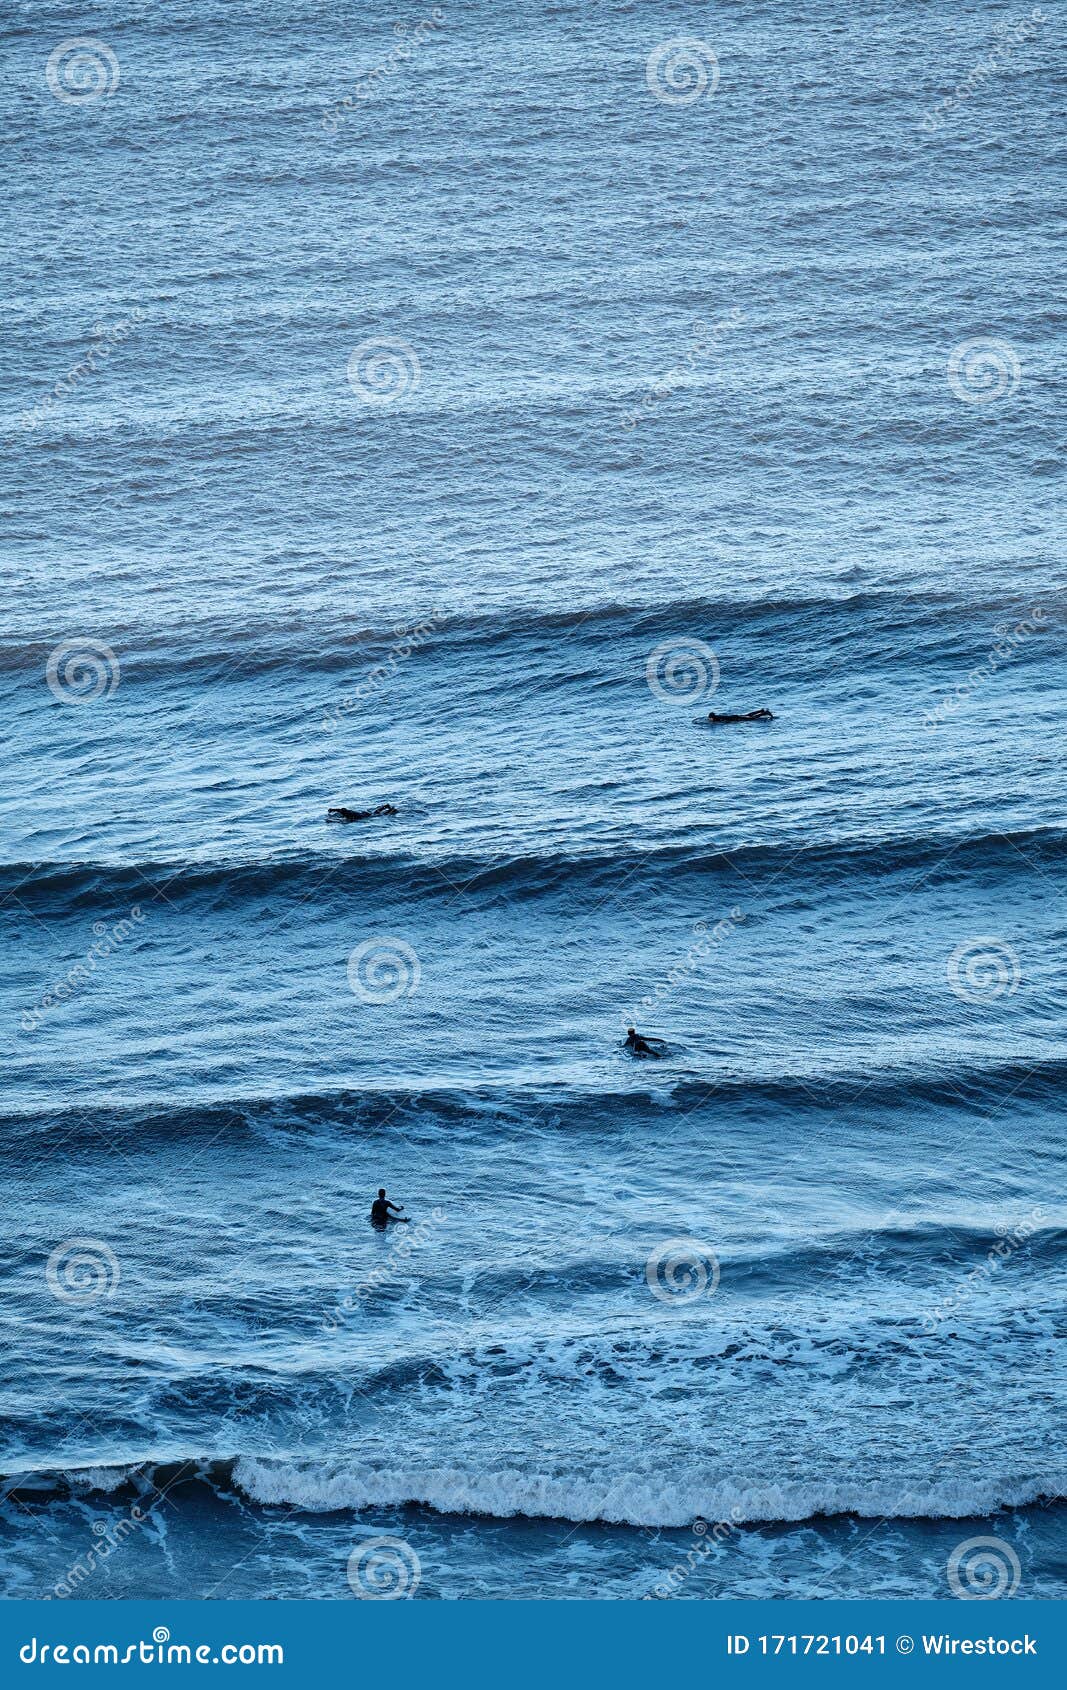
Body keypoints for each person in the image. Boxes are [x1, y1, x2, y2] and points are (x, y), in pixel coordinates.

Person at [328, 803, 398, 822]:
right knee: (375, 813)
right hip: (363, 813)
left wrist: (332, 820)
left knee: (377, 815)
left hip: (363, 816)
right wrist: (332, 810)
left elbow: (339, 811)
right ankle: (386, 806)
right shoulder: (346, 811)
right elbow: (339, 810)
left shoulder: (349, 816)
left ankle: (392, 810)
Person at [706, 709, 774, 724]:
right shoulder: (717, 717)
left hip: (736, 718)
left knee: (751, 718)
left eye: (710, 718)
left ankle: (765, 712)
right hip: (735, 717)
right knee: (748, 715)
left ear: (712, 717)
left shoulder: (717, 719)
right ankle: (760, 711)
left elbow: (726, 721)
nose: (709, 719)